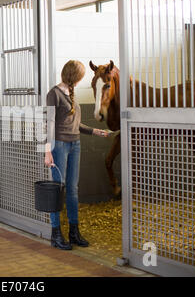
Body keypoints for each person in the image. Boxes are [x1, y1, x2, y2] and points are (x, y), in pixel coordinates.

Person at [45, 60, 108, 250]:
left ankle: (74, 232)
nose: (81, 80)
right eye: (80, 76)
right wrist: (47, 151)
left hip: (75, 144)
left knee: (72, 189)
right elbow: (48, 123)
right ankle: (55, 234)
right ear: (74, 75)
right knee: (58, 189)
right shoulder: (53, 94)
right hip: (59, 145)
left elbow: (75, 125)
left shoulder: (72, 94)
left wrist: (95, 132)